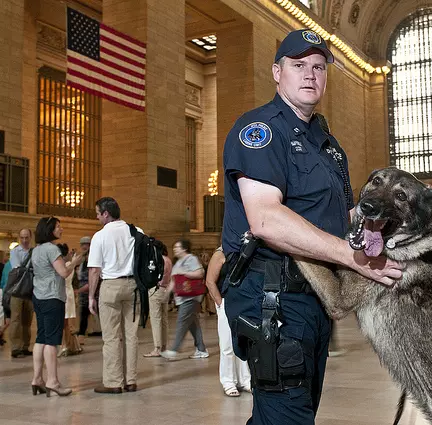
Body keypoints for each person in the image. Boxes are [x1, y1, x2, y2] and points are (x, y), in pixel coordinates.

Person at [221, 29, 402, 424]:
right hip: (273, 297)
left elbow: (341, 217)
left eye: (318, 67)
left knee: (286, 414)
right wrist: (353, 258)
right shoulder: (261, 130)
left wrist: (385, 219)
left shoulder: (328, 144)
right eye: (298, 65)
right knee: (288, 417)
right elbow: (266, 218)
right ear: (276, 72)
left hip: (316, 298)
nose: (309, 75)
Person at [87, 197, 141, 394]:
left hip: (110, 285)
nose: (97, 217)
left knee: (111, 337)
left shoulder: (99, 236)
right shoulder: (136, 231)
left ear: (106, 214)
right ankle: (131, 380)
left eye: (97, 213)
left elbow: (94, 270)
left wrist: (91, 296)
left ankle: (113, 382)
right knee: (131, 335)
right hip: (133, 285)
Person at [30, 217, 82, 397]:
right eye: (58, 227)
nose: (61, 229)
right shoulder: (52, 249)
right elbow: (63, 272)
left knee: (41, 338)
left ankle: (37, 379)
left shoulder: (36, 250)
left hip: (39, 297)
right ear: (49, 230)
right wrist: (74, 262)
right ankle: (53, 381)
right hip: (52, 298)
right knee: (52, 340)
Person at [205, 246, 251, 397]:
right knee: (227, 344)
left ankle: (245, 379)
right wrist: (220, 303)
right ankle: (228, 381)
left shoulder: (244, 251)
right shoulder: (219, 254)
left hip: (242, 302)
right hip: (226, 301)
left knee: (243, 341)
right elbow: (210, 281)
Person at [160, 240, 209, 360]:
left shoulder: (191, 259)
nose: (175, 249)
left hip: (191, 296)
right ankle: (201, 349)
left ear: (184, 248)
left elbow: (200, 273)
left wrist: (185, 273)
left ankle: (174, 350)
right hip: (182, 297)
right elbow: (174, 281)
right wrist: (166, 294)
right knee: (193, 324)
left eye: (178, 247)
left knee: (182, 322)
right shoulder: (177, 263)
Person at [143, 243, 172, 358]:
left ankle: (157, 348)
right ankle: (164, 346)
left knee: (155, 319)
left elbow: (152, 275)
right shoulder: (168, 260)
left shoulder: (157, 260)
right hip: (165, 289)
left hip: (156, 289)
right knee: (164, 320)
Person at [9, 229, 34, 358]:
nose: (24, 240)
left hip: (29, 291)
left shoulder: (34, 252)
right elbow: (17, 268)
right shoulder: (14, 251)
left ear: (31, 237)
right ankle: (15, 347)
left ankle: (25, 346)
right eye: (22, 237)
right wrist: (30, 269)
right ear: (19, 237)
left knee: (27, 321)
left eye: (27, 237)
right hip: (17, 291)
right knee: (15, 320)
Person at [57, 243, 82, 357]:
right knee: (66, 322)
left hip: (65, 294)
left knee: (65, 322)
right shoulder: (68, 264)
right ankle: (72, 345)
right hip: (68, 293)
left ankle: (66, 345)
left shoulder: (65, 265)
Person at [75, 236, 91, 345]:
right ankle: (81, 335)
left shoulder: (92, 257)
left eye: (87, 244)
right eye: (83, 244)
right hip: (82, 288)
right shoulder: (80, 258)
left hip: (91, 288)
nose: (84, 246)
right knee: (84, 313)